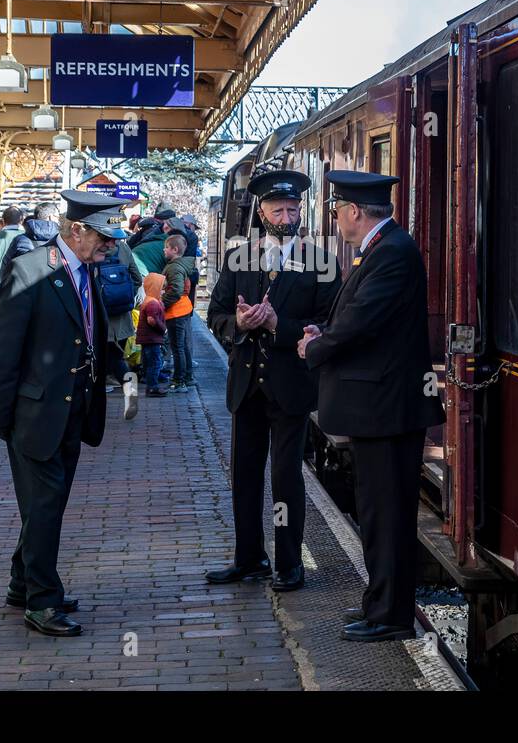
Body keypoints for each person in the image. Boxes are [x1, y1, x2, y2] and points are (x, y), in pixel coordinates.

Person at [298, 170, 444, 642]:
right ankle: (378, 607)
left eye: (337, 209)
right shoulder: (383, 250)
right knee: (379, 514)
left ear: (355, 212)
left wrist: (314, 348)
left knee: (387, 516)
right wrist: (326, 334)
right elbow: (357, 319)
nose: (336, 217)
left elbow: (361, 323)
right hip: (379, 409)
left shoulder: (392, 255)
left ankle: (391, 617)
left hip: (387, 411)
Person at [0, 190, 127, 637]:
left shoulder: (85, 269)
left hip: (72, 410)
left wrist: (120, 366)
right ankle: (42, 602)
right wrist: (0, 416)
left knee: (49, 503)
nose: (112, 245)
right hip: (34, 413)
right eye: (104, 236)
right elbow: (1, 350)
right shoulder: (29, 270)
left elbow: (89, 330)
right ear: (76, 230)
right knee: (44, 505)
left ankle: (23, 582)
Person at [206, 170, 341, 592]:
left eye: (293, 208)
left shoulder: (321, 263)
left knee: (286, 476)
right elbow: (216, 316)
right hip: (246, 385)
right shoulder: (238, 259)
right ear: (261, 212)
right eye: (277, 209)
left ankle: (289, 562)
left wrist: (281, 326)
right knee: (245, 475)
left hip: (290, 386)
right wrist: (240, 323)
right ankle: (249, 558)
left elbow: (328, 324)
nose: (286, 216)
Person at [96, 238, 142, 421]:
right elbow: (137, 278)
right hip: (122, 319)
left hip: (101, 318)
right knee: (115, 358)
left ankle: (95, 409)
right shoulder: (123, 247)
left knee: (101, 363)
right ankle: (130, 389)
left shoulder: (93, 248)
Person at [161, 232, 197, 392]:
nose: (164, 250)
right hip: (183, 309)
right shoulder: (182, 265)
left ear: (175, 250)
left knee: (177, 348)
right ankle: (188, 377)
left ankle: (179, 381)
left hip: (176, 311)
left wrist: (162, 302)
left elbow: (176, 290)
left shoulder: (174, 267)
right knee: (183, 347)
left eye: (166, 248)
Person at [136, 272, 169, 397]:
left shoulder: (149, 300)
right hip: (152, 338)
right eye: (162, 289)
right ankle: (152, 388)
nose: (163, 292)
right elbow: (152, 320)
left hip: (147, 339)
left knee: (149, 362)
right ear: (155, 288)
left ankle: (150, 385)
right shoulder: (152, 303)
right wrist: (163, 329)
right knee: (155, 363)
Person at [5, 200, 61, 264]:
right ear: (51, 217)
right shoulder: (63, 239)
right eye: (57, 217)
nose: (58, 220)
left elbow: (8, 265)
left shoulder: (20, 239)